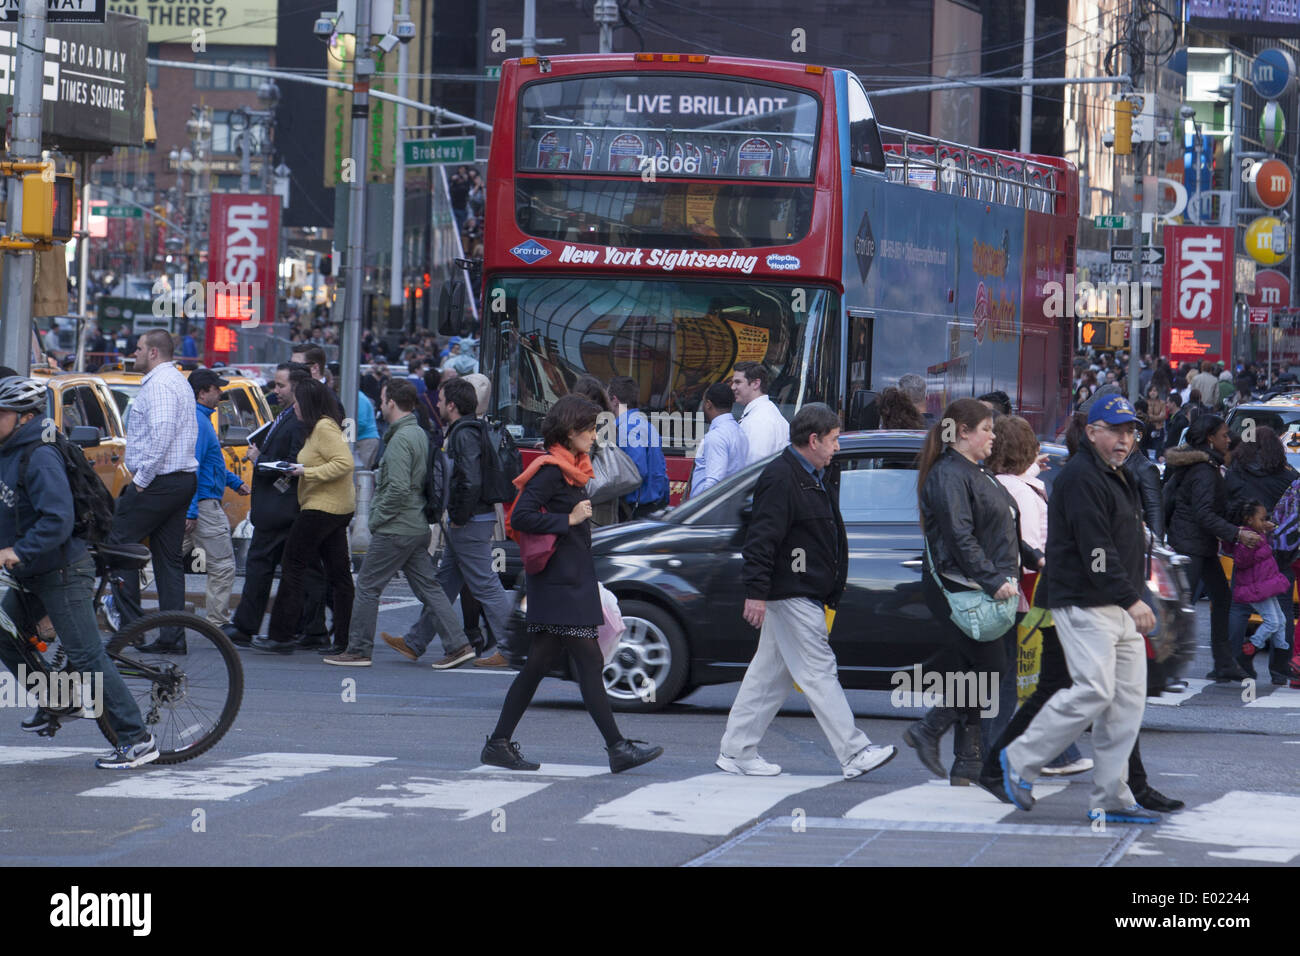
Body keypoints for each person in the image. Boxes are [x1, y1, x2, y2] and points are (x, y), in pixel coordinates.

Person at [1000, 395, 1162, 824]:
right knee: (1095, 690)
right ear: (1092, 432)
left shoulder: (1114, 475)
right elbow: (1095, 551)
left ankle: (1111, 796)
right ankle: (1020, 758)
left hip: (1119, 605)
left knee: (1125, 703)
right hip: (1087, 603)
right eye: (1116, 430)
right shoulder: (1081, 477)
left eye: (1130, 431)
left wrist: (1132, 599)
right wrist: (1132, 598)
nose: (1124, 439)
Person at [481, 395, 663, 773]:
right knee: (588, 659)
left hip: (566, 581)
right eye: (589, 429)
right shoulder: (550, 470)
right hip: (558, 584)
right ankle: (617, 748)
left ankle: (499, 743)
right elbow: (524, 517)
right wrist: (569, 519)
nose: (595, 435)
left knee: (540, 664)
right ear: (569, 431)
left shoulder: (573, 468)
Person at [717, 403, 897, 779]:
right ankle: (854, 751)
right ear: (813, 440)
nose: (837, 448)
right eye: (832, 440)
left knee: (769, 676)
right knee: (818, 670)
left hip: (797, 590)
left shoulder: (814, 473)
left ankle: (736, 751)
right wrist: (756, 592)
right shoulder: (782, 478)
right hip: (792, 591)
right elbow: (762, 538)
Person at [0, 377, 159, 769]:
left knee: (86, 654)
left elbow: (57, 519)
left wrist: (16, 551)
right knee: (6, 636)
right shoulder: (8, 451)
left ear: (24, 417)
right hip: (32, 569)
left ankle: (137, 739)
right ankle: (59, 697)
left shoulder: (39, 455)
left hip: (62, 568)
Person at [905, 399, 1030, 786]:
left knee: (971, 668)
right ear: (963, 432)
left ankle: (966, 761)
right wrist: (994, 581)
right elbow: (959, 537)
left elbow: (1001, 527)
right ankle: (930, 730)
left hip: (978, 584)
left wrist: (1035, 558)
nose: (994, 436)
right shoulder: (948, 474)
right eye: (987, 429)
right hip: (959, 588)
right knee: (990, 667)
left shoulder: (977, 472)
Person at [324, 379, 470, 667]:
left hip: (395, 527)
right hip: (414, 525)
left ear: (392, 402)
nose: (380, 404)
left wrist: (376, 519)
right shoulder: (416, 433)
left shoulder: (401, 439)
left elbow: (398, 488)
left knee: (367, 586)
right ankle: (458, 645)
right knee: (430, 588)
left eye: (382, 399)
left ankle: (358, 650)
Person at [383, 378, 516, 668]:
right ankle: (415, 641)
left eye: (442, 401)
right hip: (471, 518)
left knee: (485, 585)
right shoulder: (468, 430)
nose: (438, 404)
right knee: (443, 585)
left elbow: (469, 481)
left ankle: (512, 647)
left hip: (469, 520)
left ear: (452, 405)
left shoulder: (463, 435)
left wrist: (459, 517)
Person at [108, 330, 198, 652]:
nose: (135, 353)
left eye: (139, 348)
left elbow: (161, 436)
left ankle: (132, 630)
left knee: (116, 545)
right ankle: (172, 638)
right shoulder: (176, 381)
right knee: (168, 561)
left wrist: (141, 481)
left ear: (154, 353)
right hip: (179, 480)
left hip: (159, 481)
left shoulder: (160, 385)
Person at [224, 364, 325, 649]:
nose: (275, 390)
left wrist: (260, 459)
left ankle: (250, 626)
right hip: (275, 508)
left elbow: (293, 464)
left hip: (281, 509)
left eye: (281, 386)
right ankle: (311, 628)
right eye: (276, 384)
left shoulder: (300, 420)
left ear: (297, 387)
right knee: (298, 570)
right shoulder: (287, 415)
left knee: (269, 567)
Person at [260, 379, 356, 653]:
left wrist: (306, 472)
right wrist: (299, 466)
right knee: (339, 575)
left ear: (309, 403)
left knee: (293, 566)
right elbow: (326, 460)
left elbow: (344, 463)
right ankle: (343, 640)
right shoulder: (318, 428)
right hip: (333, 508)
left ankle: (281, 635)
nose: (295, 406)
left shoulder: (324, 427)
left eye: (298, 401)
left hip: (321, 508)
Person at [1166, 415, 1261, 681]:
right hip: (1191, 544)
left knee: (1218, 599)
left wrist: (1242, 515)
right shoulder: (1204, 470)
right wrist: (1238, 533)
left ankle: (1223, 663)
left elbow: (1210, 510)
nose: (1228, 440)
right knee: (1183, 605)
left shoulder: (1206, 466)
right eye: (1224, 435)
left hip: (1198, 543)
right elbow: (1204, 514)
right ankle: (1169, 666)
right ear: (1210, 438)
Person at [1223, 426, 1300, 682]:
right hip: (1280, 550)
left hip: (1246, 544)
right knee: (1284, 607)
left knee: (1240, 605)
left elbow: (1225, 506)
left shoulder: (1236, 472)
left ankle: (1235, 663)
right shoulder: (1287, 476)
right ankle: (1280, 669)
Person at [185, 369, 250, 628]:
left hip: (195, 506)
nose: (220, 393)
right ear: (202, 393)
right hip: (204, 507)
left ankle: (125, 601)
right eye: (216, 388)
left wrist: (234, 482)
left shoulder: (199, 420)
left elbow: (210, 466)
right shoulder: (200, 424)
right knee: (222, 566)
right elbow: (195, 468)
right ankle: (217, 622)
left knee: (161, 558)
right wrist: (192, 512)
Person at [1224, 499, 1293, 665]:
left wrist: (1266, 530)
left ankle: (1282, 652)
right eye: (1262, 519)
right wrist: (1254, 548)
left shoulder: (1258, 533)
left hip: (1265, 585)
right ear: (1249, 520)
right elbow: (1241, 561)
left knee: (1281, 620)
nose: (1265, 522)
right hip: (1256, 588)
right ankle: (1250, 648)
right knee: (1273, 622)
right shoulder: (1249, 539)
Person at [608, 376, 669, 519]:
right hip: (652, 505)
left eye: (608, 399)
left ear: (615, 400)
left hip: (633, 509)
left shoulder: (625, 429)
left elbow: (636, 472)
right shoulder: (647, 426)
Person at [687, 382, 749, 500]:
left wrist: (694, 511)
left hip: (706, 513)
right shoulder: (739, 432)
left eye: (703, 402)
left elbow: (713, 483)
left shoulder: (716, 436)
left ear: (709, 404)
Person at [731, 362, 789, 465]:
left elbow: (752, 469)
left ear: (756, 384)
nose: (733, 387)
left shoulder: (759, 421)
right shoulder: (765, 413)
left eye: (738, 382)